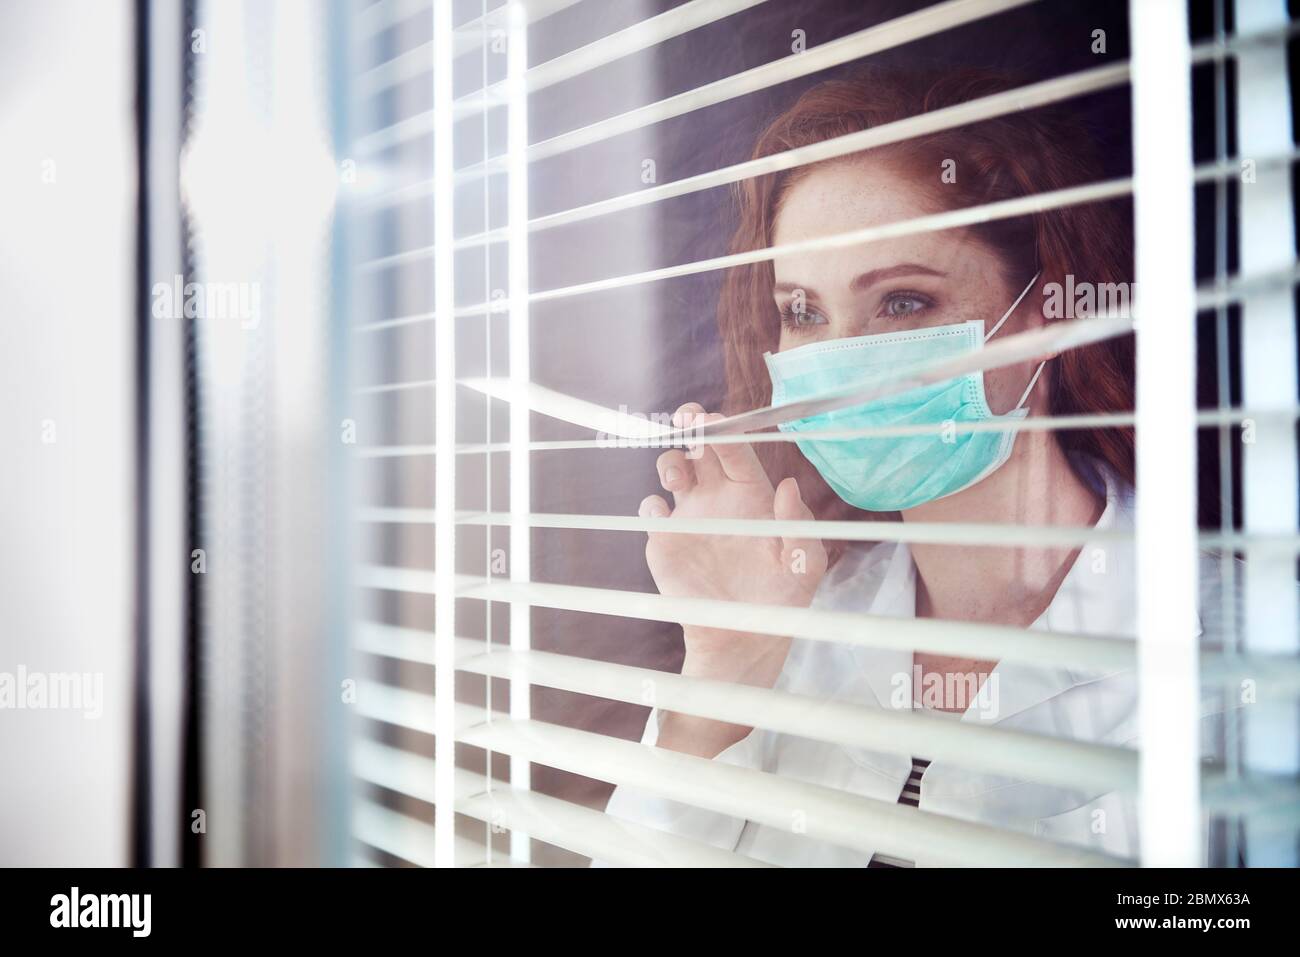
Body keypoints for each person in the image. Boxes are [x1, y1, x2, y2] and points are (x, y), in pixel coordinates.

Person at [601, 69, 1232, 867]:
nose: (838, 361)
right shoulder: (797, 624)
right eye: (803, 312)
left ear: (1043, 318)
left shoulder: (1243, 656)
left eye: (902, 302)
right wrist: (723, 676)